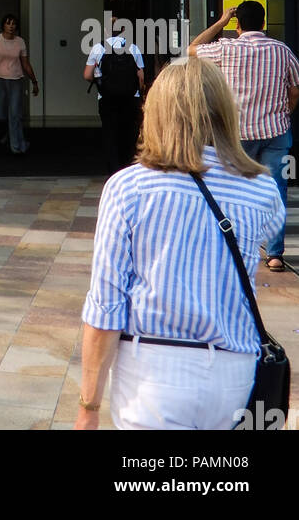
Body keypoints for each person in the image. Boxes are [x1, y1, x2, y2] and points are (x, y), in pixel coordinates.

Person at [76, 58, 285, 432]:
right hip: (233, 368)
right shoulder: (263, 189)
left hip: (153, 368)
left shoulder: (129, 188)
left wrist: (88, 405)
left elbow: (106, 306)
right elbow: (267, 233)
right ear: (225, 112)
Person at [188, 0, 299, 272]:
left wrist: (219, 23)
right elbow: (294, 90)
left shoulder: (226, 48)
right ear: (264, 23)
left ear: (238, 24)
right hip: (276, 132)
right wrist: (284, 113)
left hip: (237, 133)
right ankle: (274, 255)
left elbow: (191, 50)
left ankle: (238, 246)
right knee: (276, 190)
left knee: (233, 188)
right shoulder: (282, 50)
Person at [84, 28, 145, 173]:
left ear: (106, 32)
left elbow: (87, 75)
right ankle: (128, 168)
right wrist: (139, 91)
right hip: (131, 98)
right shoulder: (133, 47)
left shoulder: (98, 47)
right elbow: (141, 76)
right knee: (129, 134)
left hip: (107, 99)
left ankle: (114, 171)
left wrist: (101, 81)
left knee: (110, 134)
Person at [0, 14, 38, 155]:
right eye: (8, 23)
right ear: (3, 25)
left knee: (14, 113)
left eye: (13, 24)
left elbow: (25, 63)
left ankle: (17, 146)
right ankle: (9, 134)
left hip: (16, 80)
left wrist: (34, 81)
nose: (11, 26)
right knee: (0, 113)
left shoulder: (20, 42)